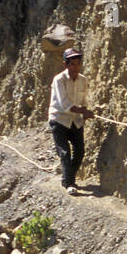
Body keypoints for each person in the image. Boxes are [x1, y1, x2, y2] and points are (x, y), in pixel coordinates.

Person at [48, 47, 94, 194]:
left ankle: (67, 177)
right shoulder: (59, 80)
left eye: (78, 63)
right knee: (65, 152)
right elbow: (64, 104)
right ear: (65, 65)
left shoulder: (83, 80)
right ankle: (70, 183)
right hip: (59, 120)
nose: (76, 67)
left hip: (76, 121)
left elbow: (83, 100)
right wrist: (82, 111)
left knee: (80, 151)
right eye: (72, 64)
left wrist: (85, 111)